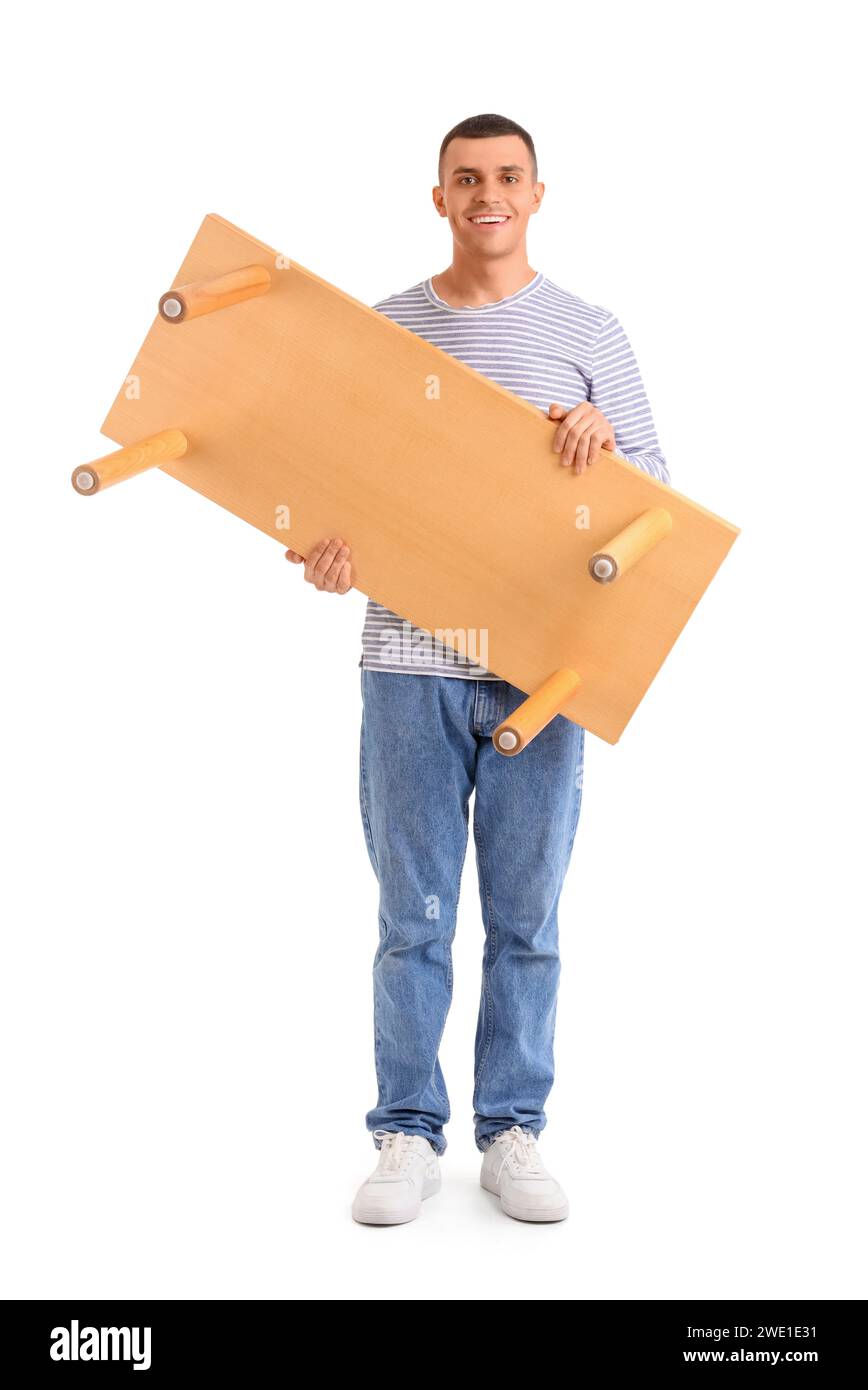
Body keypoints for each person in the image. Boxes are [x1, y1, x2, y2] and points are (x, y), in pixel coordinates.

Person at [286, 113, 670, 1226]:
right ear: (439, 196)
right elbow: (328, 482)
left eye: (507, 177)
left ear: (538, 195)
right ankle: (405, 1133)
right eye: (467, 178)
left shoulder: (588, 329)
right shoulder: (389, 327)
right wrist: (323, 549)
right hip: (406, 658)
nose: (487, 194)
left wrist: (606, 436)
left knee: (525, 914)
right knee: (411, 913)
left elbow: (658, 485)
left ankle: (513, 1129)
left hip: (546, 662)